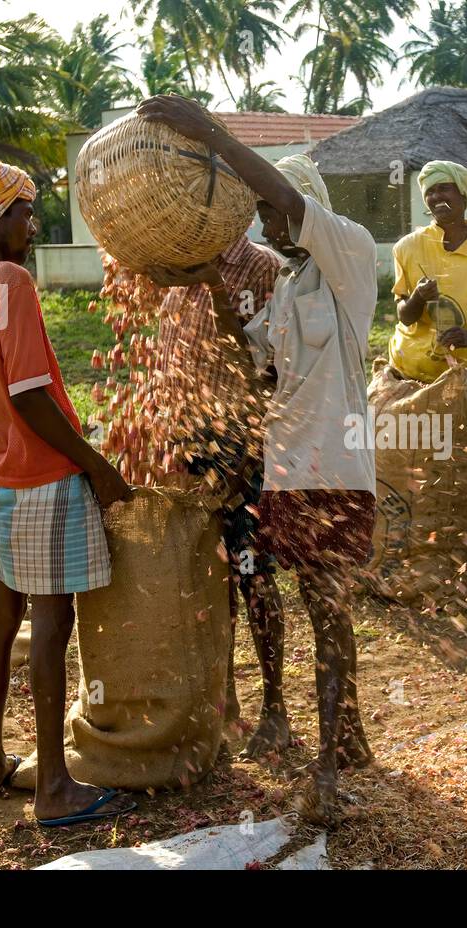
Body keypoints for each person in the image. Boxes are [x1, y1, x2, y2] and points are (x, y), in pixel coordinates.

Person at [137, 95, 378, 825]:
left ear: (305, 208)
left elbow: (281, 194)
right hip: (287, 475)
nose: (268, 228)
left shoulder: (349, 257)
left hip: (336, 471)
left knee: (329, 613)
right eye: (263, 222)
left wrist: (206, 131)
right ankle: (349, 738)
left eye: (273, 216)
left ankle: (329, 771)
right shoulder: (291, 288)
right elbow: (254, 370)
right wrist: (202, 282)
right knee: (314, 606)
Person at [0, 158, 136, 827]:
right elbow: (32, 395)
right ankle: (53, 789)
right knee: (51, 624)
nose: (33, 225)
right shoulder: (9, 281)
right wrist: (97, 467)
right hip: (45, 477)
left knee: (1, 615)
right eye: (26, 211)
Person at [144, 237, 285, 749]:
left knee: (254, 574)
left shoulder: (259, 267)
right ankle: (225, 704)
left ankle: (276, 709)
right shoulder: (177, 272)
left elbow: (266, 364)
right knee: (211, 576)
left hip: (244, 445)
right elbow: (169, 364)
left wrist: (250, 446)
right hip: (190, 445)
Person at [389, 160, 467, 383]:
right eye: (430, 192)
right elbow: (405, 317)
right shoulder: (406, 248)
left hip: (463, 375)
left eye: (444, 188)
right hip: (407, 371)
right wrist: (418, 297)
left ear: (463, 196)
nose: (437, 197)